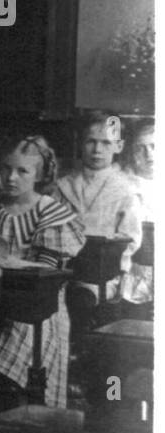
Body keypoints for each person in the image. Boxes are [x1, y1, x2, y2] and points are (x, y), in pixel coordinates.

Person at [0, 135, 85, 408]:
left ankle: (15, 406)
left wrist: (5, 263)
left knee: (19, 332)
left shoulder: (51, 213)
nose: (11, 177)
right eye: (6, 169)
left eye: (22, 171)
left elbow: (47, 274)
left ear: (39, 175)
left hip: (39, 306)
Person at [56, 110, 142, 304]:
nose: (97, 150)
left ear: (118, 146)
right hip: (64, 267)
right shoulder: (64, 185)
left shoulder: (125, 189)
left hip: (106, 273)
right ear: (81, 143)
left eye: (106, 143)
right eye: (90, 141)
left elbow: (131, 239)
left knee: (81, 296)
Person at [122, 120, 154, 305]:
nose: (149, 155)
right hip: (132, 274)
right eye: (140, 148)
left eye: (154, 146)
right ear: (131, 153)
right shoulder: (122, 185)